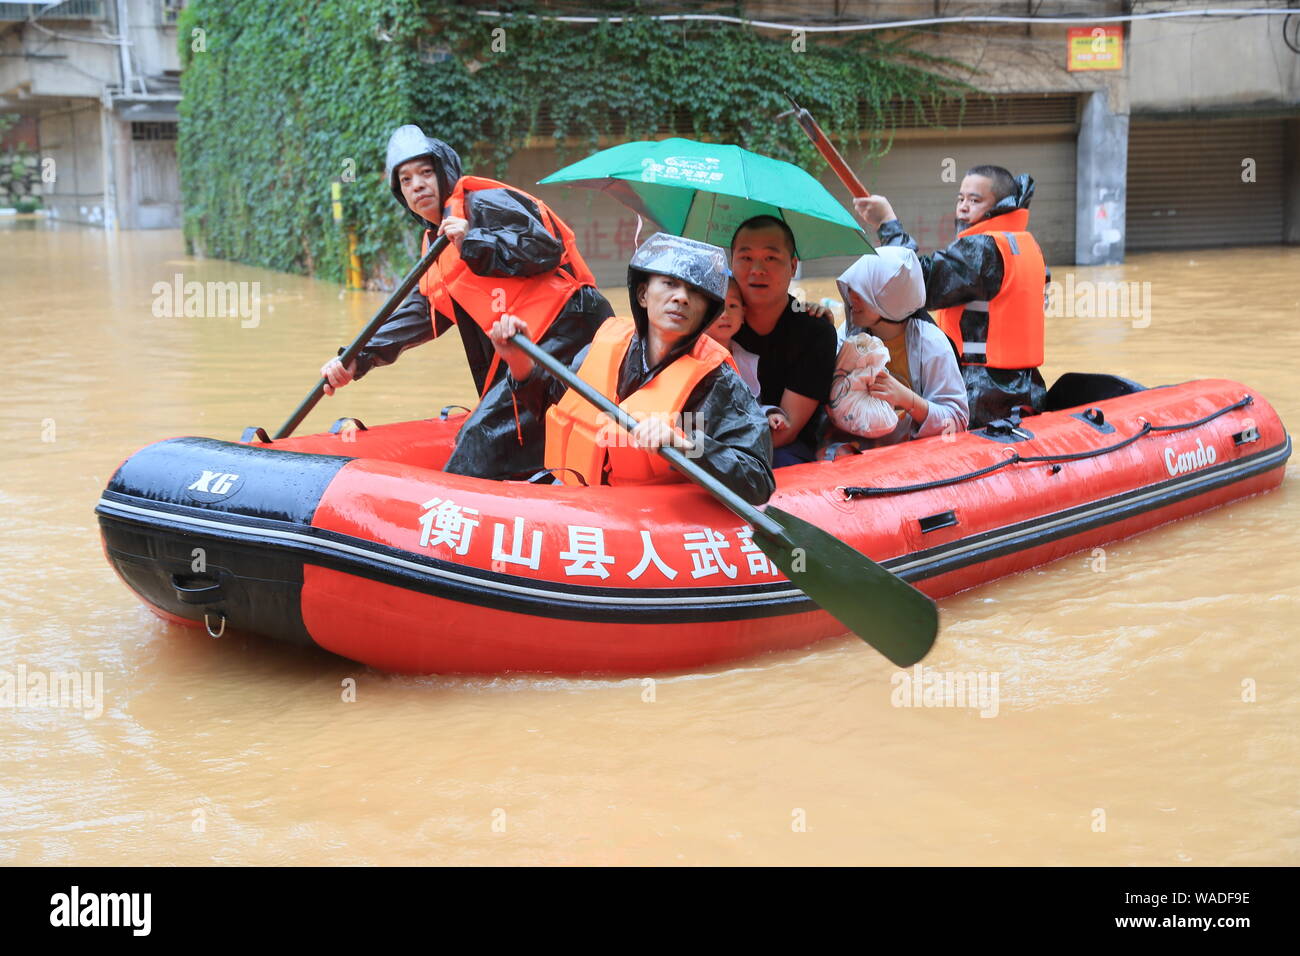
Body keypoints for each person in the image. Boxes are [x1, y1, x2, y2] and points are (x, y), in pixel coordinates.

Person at [319, 124, 612, 479]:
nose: (418, 185)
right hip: (522, 345)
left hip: (569, 327)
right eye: (406, 180)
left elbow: (545, 247)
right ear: (401, 193)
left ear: (444, 173)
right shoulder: (434, 247)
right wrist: (355, 358)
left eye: (426, 172)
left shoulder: (483, 203)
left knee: (482, 436)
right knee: (483, 432)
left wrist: (473, 239)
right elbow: (419, 314)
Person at [486, 233, 775, 505]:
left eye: (695, 292)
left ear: (707, 311)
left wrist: (683, 442)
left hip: (647, 519)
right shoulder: (607, 343)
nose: (682, 298)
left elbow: (756, 479)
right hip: (577, 499)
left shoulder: (716, 381)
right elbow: (554, 401)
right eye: (670, 284)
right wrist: (517, 359)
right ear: (643, 295)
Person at [853, 165, 1047, 428]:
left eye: (975, 200)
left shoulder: (984, 248)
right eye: (961, 198)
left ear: (1000, 205)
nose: (964, 207)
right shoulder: (1023, 243)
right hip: (1025, 387)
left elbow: (913, 284)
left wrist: (887, 224)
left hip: (984, 391)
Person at [823, 247, 969, 454]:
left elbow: (957, 422)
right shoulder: (848, 335)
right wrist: (821, 337)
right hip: (851, 451)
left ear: (890, 300)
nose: (851, 296)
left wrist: (907, 399)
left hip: (906, 459)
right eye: (852, 287)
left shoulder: (932, 344)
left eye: (863, 291)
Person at [728, 215, 839, 467]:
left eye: (770, 258)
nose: (757, 269)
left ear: (792, 266)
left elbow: (785, 430)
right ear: (730, 263)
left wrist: (715, 450)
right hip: (715, 438)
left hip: (784, 449)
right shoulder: (714, 319)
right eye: (745, 258)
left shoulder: (815, 330)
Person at [705, 278, 793, 439]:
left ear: (743, 314)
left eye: (732, 306)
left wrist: (768, 414)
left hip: (738, 440)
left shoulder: (746, 360)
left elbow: (750, 405)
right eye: (717, 306)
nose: (725, 314)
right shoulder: (690, 355)